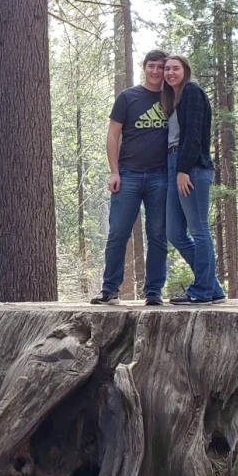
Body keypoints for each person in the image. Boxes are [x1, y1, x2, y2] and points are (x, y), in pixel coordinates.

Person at [93, 50, 170, 306]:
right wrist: (114, 171)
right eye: (152, 66)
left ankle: (154, 291)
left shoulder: (172, 98)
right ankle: (109, 290)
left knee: (157, 235)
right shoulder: (128, 97)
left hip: (161, 176)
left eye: (161, 67)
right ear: (144, 67)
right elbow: (113, 135)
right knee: (118, 233)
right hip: (128, 175)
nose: (156, 71)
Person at [162, 53, 225, 304]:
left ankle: (202, 291)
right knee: (174, 232)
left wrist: (183, 170)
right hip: (173, 164)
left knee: (199, 229)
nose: (170, 73)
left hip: (192, 167)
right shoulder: (175, 98)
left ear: (185, 70)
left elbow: (194, 135)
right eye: (167, 69)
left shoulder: (192, 92)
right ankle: (213, 288)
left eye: (175, 68)